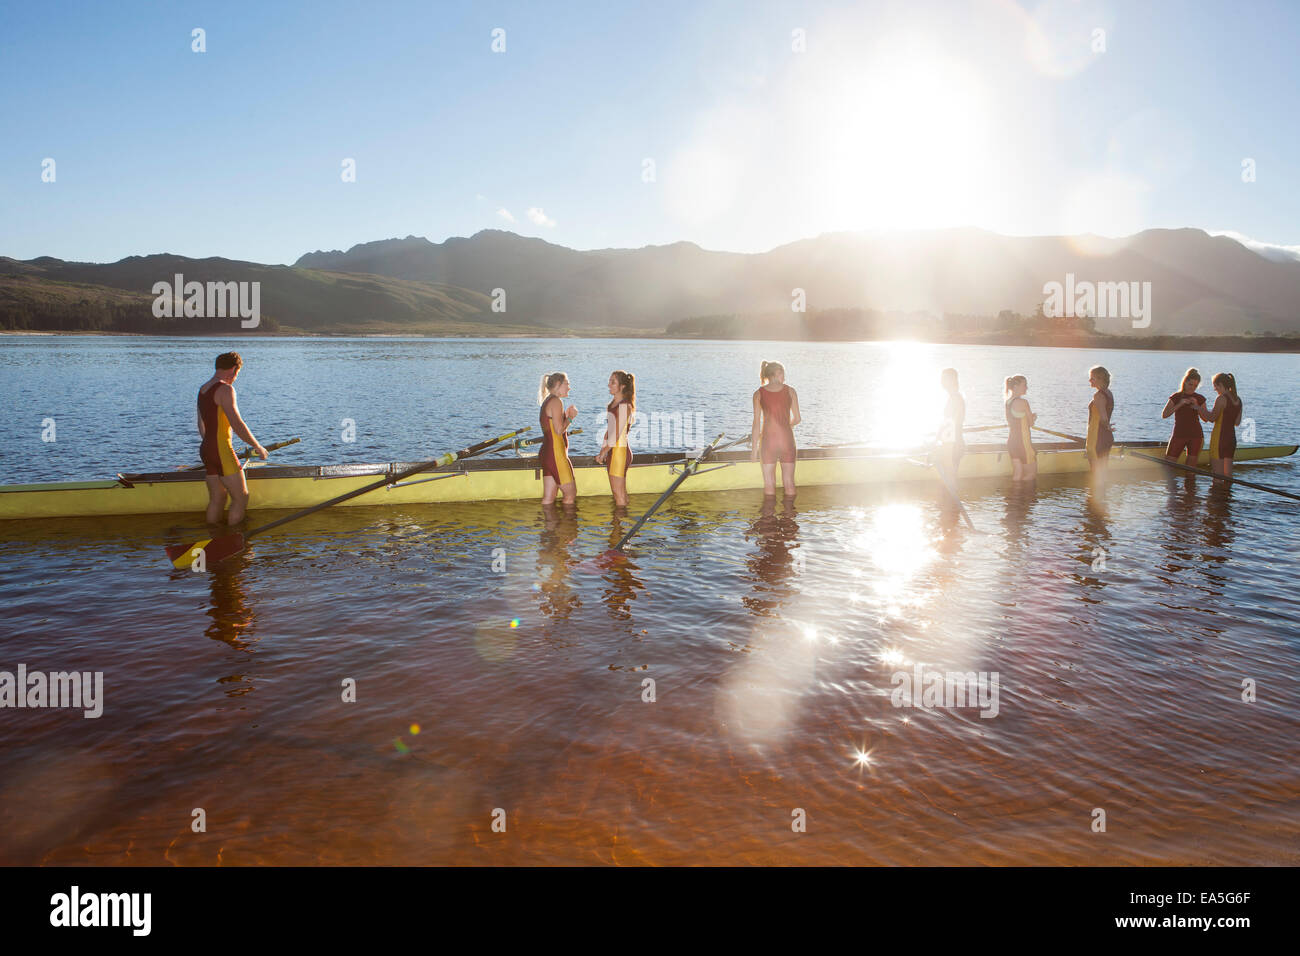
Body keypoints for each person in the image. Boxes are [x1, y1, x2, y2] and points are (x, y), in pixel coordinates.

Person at [197, 351, 266, 525]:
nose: (236, 378)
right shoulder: (226, 389)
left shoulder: (203, 389)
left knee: (218, 498)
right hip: (220, 449)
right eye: (237, 374)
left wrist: (212, 447)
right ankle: (234, 537)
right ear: (234, 369)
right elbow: (237, 423)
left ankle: (213, 535)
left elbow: (201, 425)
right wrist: (257, 446)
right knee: (241, 497)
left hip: (206, 448)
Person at [750, 360, 801, 496]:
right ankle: (789, 516)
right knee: (789, 482)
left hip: (768, 441)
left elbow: (756, 424)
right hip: (787, 439)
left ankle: (768, 517)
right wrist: (787, 426)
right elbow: (797, 419)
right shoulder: (790, 391)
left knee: (769, 484)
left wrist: (754, 450)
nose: (784, 378)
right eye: (783, 374)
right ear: (777, 373)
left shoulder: (758, 393)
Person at [595, 370, 636, 507]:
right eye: (609, 381)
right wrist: (603, 449)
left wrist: (603, 452)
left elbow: (617, 434)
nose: (609, 385)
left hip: (620, 453)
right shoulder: (611, 405)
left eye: (613, 382)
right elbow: (609, 432)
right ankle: (620, 526)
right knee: (620, 494)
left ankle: (619, 528)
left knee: (619, 496)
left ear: (622, 386)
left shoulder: (625, 406)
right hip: (613, 450)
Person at [538, 371, 579, 504]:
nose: (569, 387)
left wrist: (565, 417)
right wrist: (571, 418)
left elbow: (555, 426)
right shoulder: (556, 401)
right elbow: (559, 430)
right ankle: (568, 525)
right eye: (567, 383)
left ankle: (549, 524)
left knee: (549, 498)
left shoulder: (548, 401)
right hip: (556, 455)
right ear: (558, 384)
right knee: (570, 495)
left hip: (547, 454)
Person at [1161, 367, 1207, 465]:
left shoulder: (1200, 398)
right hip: (1179, 434)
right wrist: (1179, 404)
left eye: (1195, 386)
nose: (1192, 387)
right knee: (1168, 466)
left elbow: (1205, 419)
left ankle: (1190, 480)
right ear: (1185, 382)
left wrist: (1197, 407)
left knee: (1191, 470)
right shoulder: (1176, 397)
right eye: (1190, 384)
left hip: (1196, 435)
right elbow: (1164, 415)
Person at [1207, 372, 1243, 479]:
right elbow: (1237, 422)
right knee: (1228, 476)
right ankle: (1227, 495)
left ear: (1221, 385)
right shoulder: (1238, 400)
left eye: (1216, 387)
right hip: (1231, 440)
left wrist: (1199, 408)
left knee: (1217, 477)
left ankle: (1217, 495)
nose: (1215, 390)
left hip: (1219, 439)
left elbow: (1212, 418)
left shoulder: (1221, 398)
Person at [1004, 374, 1037, 482]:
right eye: (1024, 385)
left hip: (1012, 442)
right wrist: (1033, 418)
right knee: (1031, 475)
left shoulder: (1008, 402)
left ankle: (1014, 497)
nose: (1026, 387)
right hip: (1023, 443)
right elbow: (1030, 423)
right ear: (1016, 386)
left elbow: (1013, 421)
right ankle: (1025, 498)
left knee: (1017, 475)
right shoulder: (1023, 402)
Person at [937, 368, 966, 483]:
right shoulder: (953, 397)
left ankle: (950, 500)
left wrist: (937, 438)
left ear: (952, 380)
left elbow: (952, 424)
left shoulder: (956, 398)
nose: (941, 381)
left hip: (953, 443)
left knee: (950, 478)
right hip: (951, 441)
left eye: (944, 378)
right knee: (949, 478)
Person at [1085, 365, 1114, 475]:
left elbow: (1103, 418)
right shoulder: (1109, 393)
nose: (1089, 380)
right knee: (1102, 472)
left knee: (1096, 474)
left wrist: (1107, 425)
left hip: (1097, 437)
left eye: (1092, 378)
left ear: (1100, 379)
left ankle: (1096, 492)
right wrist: (1108, 427)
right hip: (1106, 436)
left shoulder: (1098, 395)